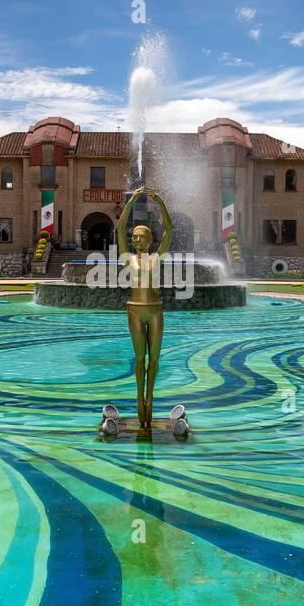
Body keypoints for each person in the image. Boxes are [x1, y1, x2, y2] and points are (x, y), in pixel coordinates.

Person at [117, 186, 174, 433]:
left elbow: (170, 230)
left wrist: (160, 203)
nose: (135, 240)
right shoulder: (128, 258)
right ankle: (139, 398)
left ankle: (150, 397)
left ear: (149, 240)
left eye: (140, 237)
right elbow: (119, 229)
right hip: (135, 311)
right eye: (134, 237)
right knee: (140, 359)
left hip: (155, 310)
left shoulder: (156, 258)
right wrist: (130, 203)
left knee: (155, 359)